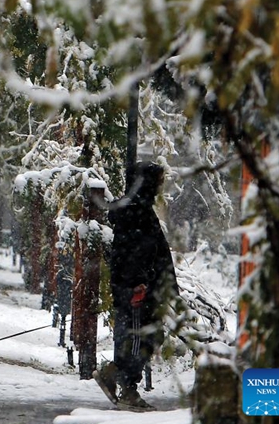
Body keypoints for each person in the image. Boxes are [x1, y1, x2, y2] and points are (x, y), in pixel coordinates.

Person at [93, 162, 179, 410]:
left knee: (142, 335)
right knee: (138, 337)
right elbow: (133, 253)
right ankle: (127, 387)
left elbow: (147, 251)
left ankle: (116, 375)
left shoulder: (139, 210)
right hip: (138, 289)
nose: (160, 187)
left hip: (144, 287)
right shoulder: (135, 212)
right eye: (157, 181)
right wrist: (137, 284)